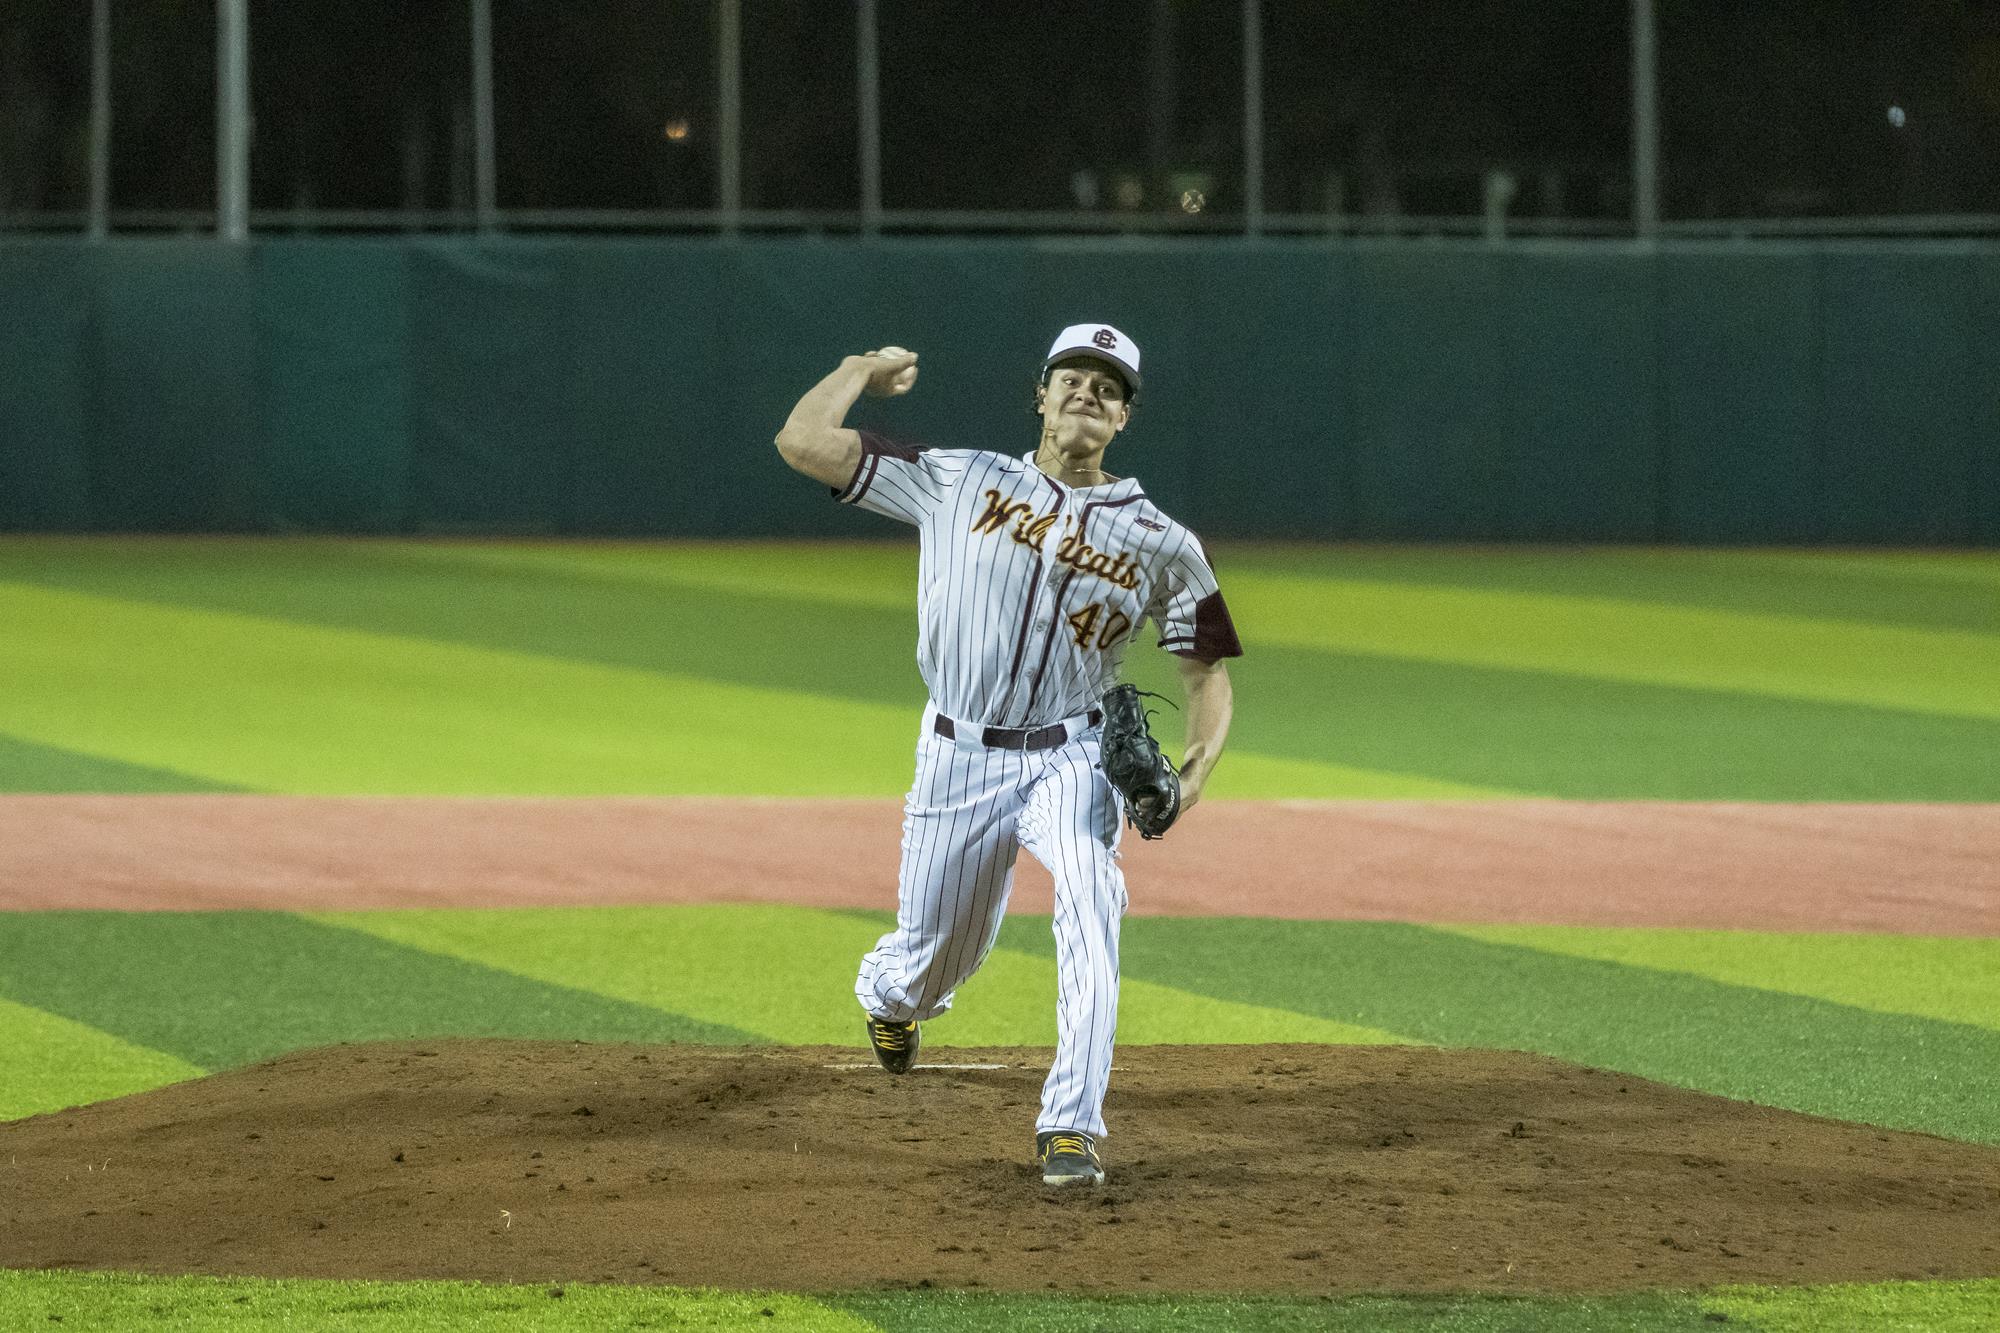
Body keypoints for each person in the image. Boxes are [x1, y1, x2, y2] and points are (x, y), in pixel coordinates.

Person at [773, 324, 1241, 1187]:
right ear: (1041, 394)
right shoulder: (955, 477)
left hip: (1074, 753)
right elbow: (801, 442)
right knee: (933, 954)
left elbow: (1203, 671)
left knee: (1093, 898)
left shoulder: (1159, 539)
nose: (1087, 395)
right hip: (957, 756)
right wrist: (858, 368)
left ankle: (1071, 1124)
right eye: (1073, 378)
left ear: (1124, 417)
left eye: (1108, 388)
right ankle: (893, 999)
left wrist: (1192, 773)